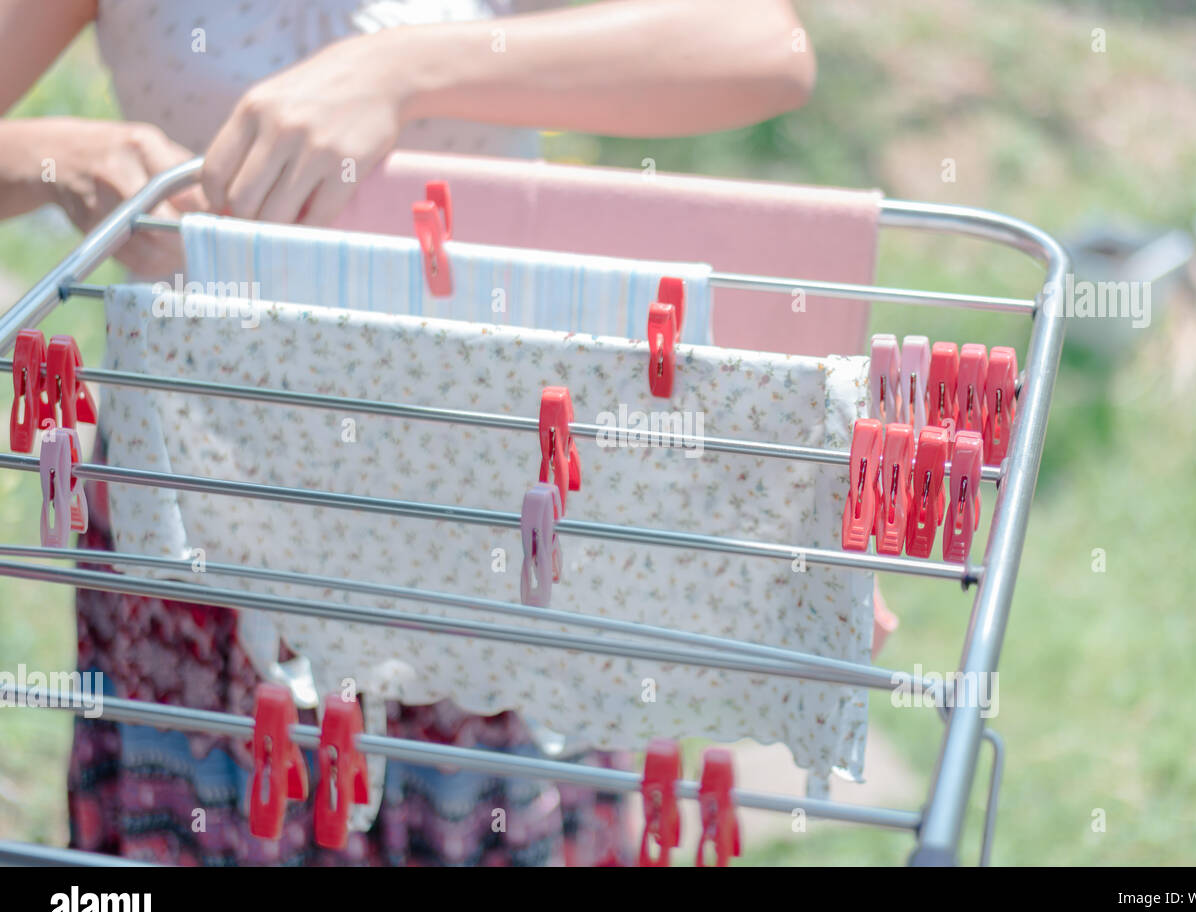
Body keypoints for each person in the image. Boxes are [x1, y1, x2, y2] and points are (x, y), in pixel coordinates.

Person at [0, 0, 814, 865]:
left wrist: (398, 71)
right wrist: (61, 158)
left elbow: (762, 43)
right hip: (208, 556)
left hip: (494, 553)